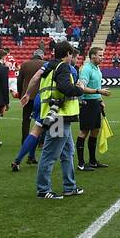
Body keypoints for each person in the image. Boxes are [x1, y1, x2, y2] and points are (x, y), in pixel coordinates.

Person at [34, 41, 87, 197]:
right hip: (59, 116)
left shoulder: (49, 67)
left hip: (56, 114)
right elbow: (65, 87)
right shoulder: (63, 67)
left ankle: (70, 186)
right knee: (50, 154)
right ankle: (43, 189)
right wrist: (79, 89)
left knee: (67, 152)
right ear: (68, 54)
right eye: (72, 54)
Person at [75, 46, 111, 170]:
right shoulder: (86, 69)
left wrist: (100, 100)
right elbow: (82, 88)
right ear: (93, 56)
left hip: (95, 103)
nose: (102, 57)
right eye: (100, 55)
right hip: (87, 103)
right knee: (84, 132)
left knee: (95, 130)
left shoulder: (97, 68)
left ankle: (92, 161)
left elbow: (97, 85)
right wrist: (98, 91)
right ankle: (80, 163)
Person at [17, 48, 46, 155]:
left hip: (27, 96)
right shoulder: (45, 64)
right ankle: (41, 142)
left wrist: (21, 94)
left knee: (25, 120)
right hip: (41, 97)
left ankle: (24, 141)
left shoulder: (25, 64)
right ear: (42, 56)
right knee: (41, 121)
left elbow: (19, 81)